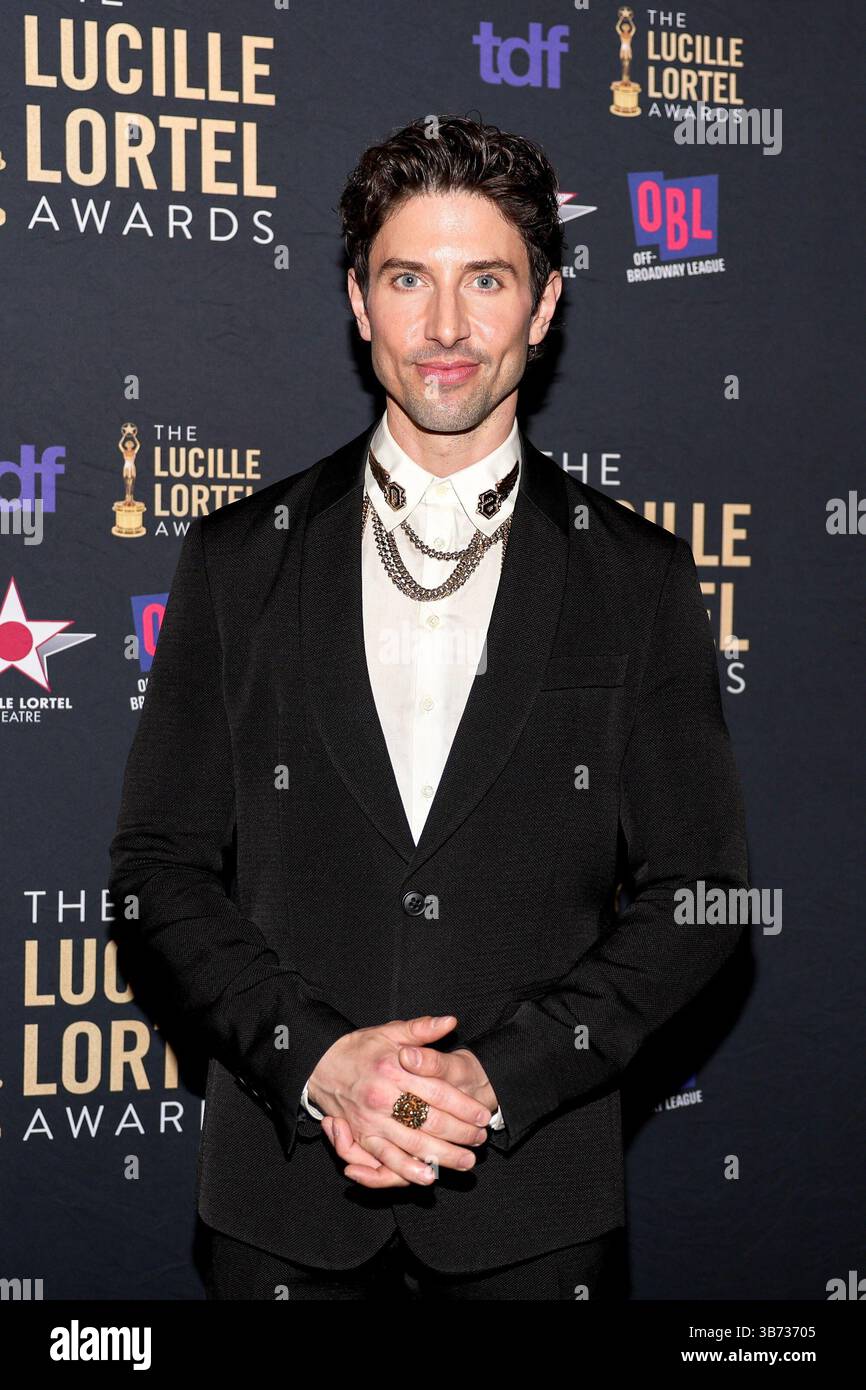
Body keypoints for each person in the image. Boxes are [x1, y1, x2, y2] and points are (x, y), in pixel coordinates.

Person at [108, 114, 749, 1300]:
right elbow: (157, 864)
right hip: (279, 1209)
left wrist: (494, 1079)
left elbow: (698, 894)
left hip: (534, 1216)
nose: (445, 328)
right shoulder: (238, 560)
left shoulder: (638, 577)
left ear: (543, 306)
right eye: (408, 278)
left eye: (486, 281)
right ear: (358, 301)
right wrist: (319, 1059)